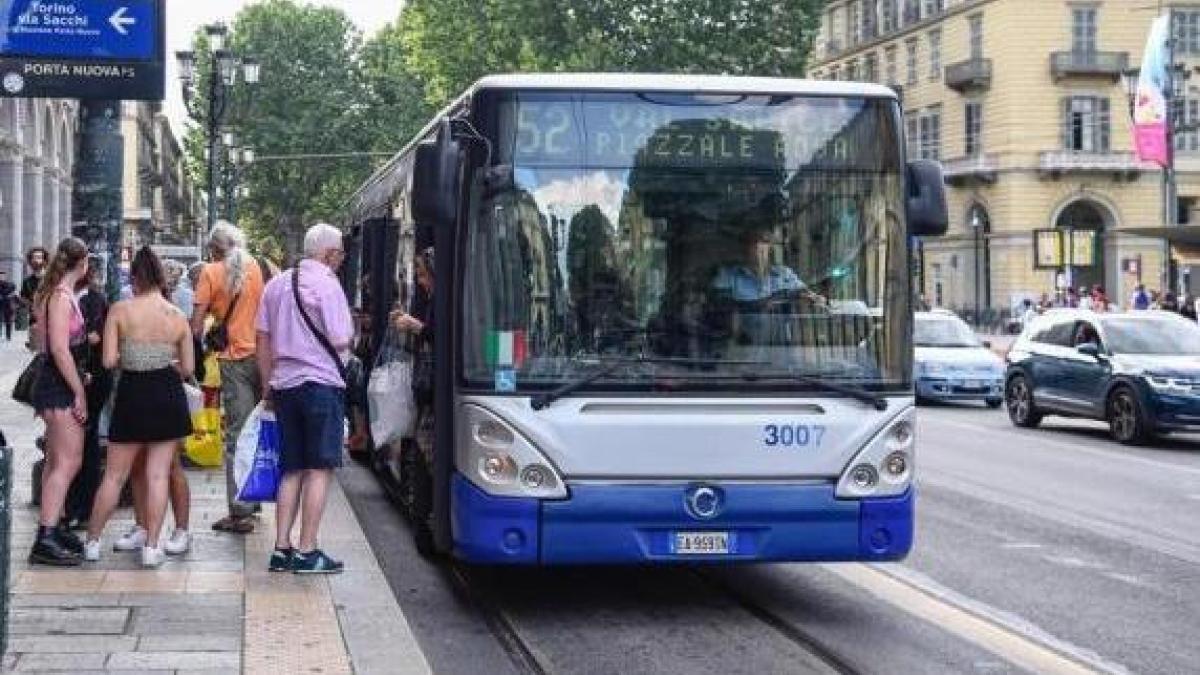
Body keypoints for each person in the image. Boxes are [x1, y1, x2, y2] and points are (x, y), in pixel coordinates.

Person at [83, 247, 194, 567]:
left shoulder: (120, 310)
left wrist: (132, 357)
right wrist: (162, 360)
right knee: (158, 475)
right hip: (167, 395)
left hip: (132, 393)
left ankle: (91, 542)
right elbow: (186, 368)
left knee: (114, 476)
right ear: (161, 278)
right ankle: (152, 547)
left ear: (135, 277)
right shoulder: (177, 316)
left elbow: (107, 360)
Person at [256, 223, 354, 573]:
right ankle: (308, 550)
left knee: (292, 466)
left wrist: (267, 386)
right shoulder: (327, 283)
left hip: (284, 387)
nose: (341, 259)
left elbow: (263, 340)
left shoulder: (277, 283)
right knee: (319, 467)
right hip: (320, 385)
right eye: (340, 253)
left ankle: (281, 548)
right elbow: (341, 337)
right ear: (328, 253)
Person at [192, 222, 266, 534]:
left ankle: (239, 512)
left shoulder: (210, 272)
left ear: (214, 249)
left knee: (236, 434)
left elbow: (195, 325)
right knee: (256, 429)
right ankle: (255, 498)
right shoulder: (255, 267)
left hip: (233, 361)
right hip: (262, 357)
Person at [28, 238, 90, 566]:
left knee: (56, 460)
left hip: (53, 383)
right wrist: (78, 389)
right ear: (83, 263)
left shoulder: (51, 294)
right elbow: (60, 349)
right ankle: (47, 534)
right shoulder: (62, 297)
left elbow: (38, 341)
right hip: (59, 386)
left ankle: (54, 525)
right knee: (68, 462)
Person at [63, 259, 113, 530]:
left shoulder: (91, 299)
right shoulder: (71, 297)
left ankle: (82, 505)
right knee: (80, 437)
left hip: (91, 376)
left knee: (87, 436)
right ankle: (75, 503)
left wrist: (66, 341)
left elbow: (94, 337)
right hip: (80, 375)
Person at [712, 229, 826, 305]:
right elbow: (720, 302)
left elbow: (804, 292)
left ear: (769, 248)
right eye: (754, 243)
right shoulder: (730, 276)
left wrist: (814, 298)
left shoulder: (784, 274)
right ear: (747, 249)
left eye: (764, 243)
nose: (759, 248)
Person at [20, 247, 49, 337]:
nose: (36, 260)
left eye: (39, 257)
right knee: (36, 348)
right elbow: (24, 297)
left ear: (45, 260)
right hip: (34, 319)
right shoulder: (27, 281)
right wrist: (31, 306)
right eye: (34, 257)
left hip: (51, 318)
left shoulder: (51, 279)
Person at [0, 270, 15, 340]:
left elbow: (13, 287)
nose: (1, 277)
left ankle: (8, 336)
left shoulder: (9, 284)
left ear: (5, 277)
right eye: (0, 276)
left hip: (7, 304)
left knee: (8, 321)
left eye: (2, 276)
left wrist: (4, 293)